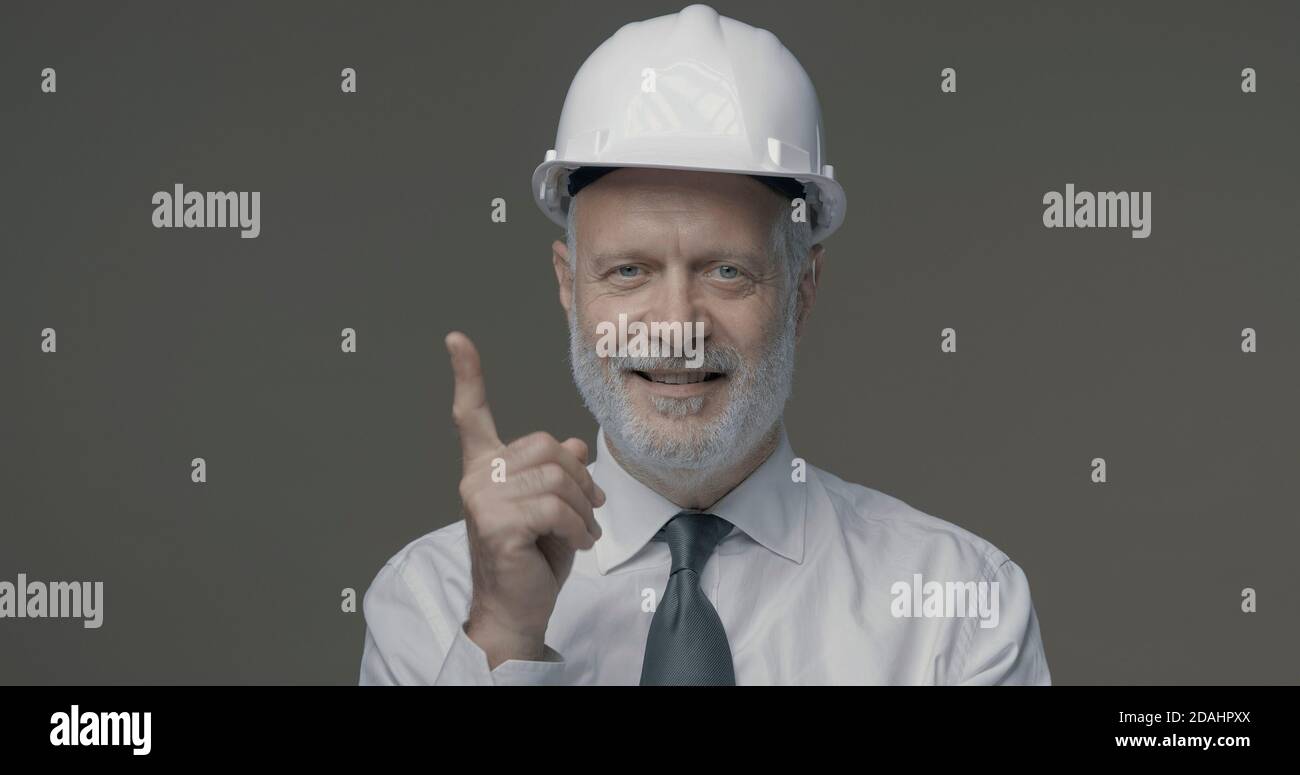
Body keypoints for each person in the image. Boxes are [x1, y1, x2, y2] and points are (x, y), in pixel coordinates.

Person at [359, 4, 1050, 685]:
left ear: (803, 287)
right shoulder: (431, 604)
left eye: (727, 271)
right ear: (570, 286)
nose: (677, 324)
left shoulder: (956, 612)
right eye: (628, 271)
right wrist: (504, 639)